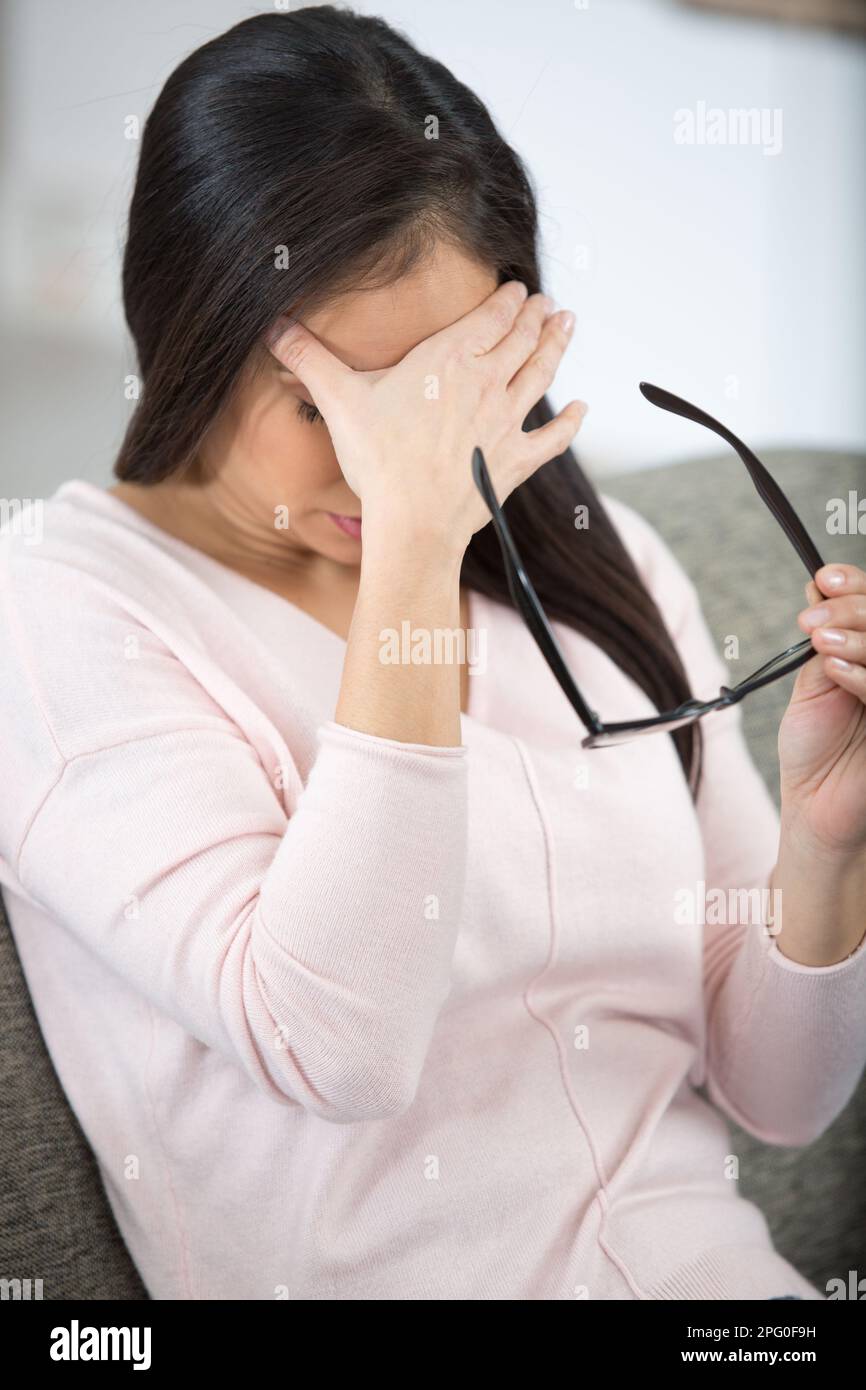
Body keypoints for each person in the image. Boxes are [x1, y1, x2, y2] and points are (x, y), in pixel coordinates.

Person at [1, 7, 864, 1301]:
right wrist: (412, 542)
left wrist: (822, 835)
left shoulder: (593, 560)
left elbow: (781, 1095)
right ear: (184, 326)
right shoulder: (55, 612)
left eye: (440, 396)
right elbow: (337, 1048)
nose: (397, 456)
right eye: (330, 405)